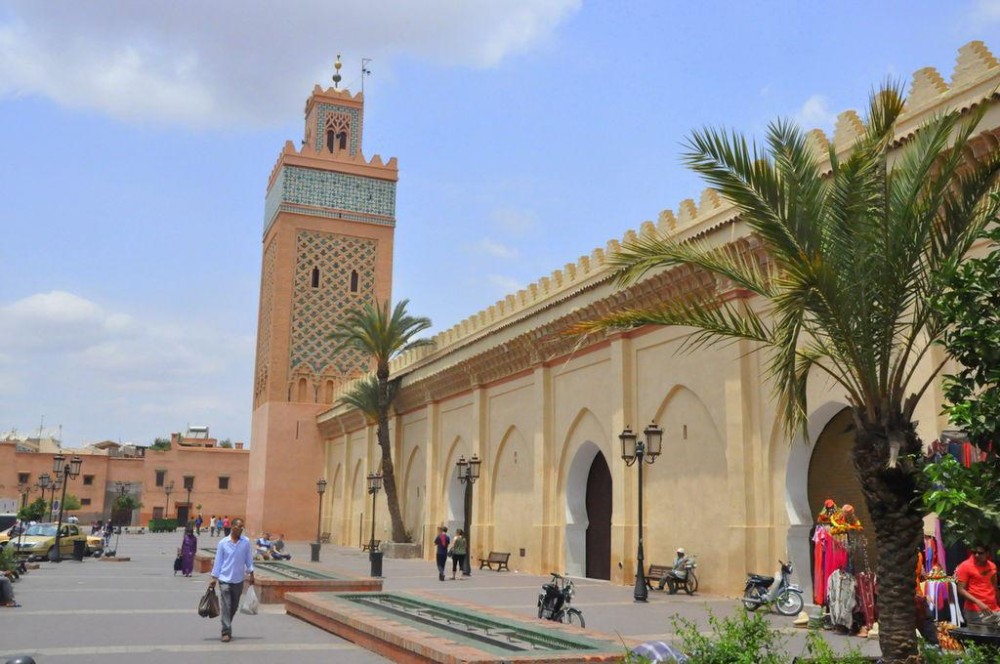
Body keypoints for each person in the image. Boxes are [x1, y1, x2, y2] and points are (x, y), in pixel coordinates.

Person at [208, 517, 255, 643]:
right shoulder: (223, 543)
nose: (240, 529)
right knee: (226, 605)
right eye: (238, 526)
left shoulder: (245, 542)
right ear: (233, 527)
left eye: (242, 527)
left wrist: (251, 574)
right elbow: (218, 561)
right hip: (224, 579)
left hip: (238, 579)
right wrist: (214, 578)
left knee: (233, 607)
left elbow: (248, 559)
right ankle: (226, 631)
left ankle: (226, 623)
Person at [956, 543, 1000, 625]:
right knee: (983, 637)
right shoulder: (965, 566)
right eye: (974, 552)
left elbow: (995, 587)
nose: (976, 555)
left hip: (994, 609)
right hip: (975, 611)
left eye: (980, 553)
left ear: (987, 553)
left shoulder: (992, 566)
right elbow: (960, 589)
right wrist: (978, 602)